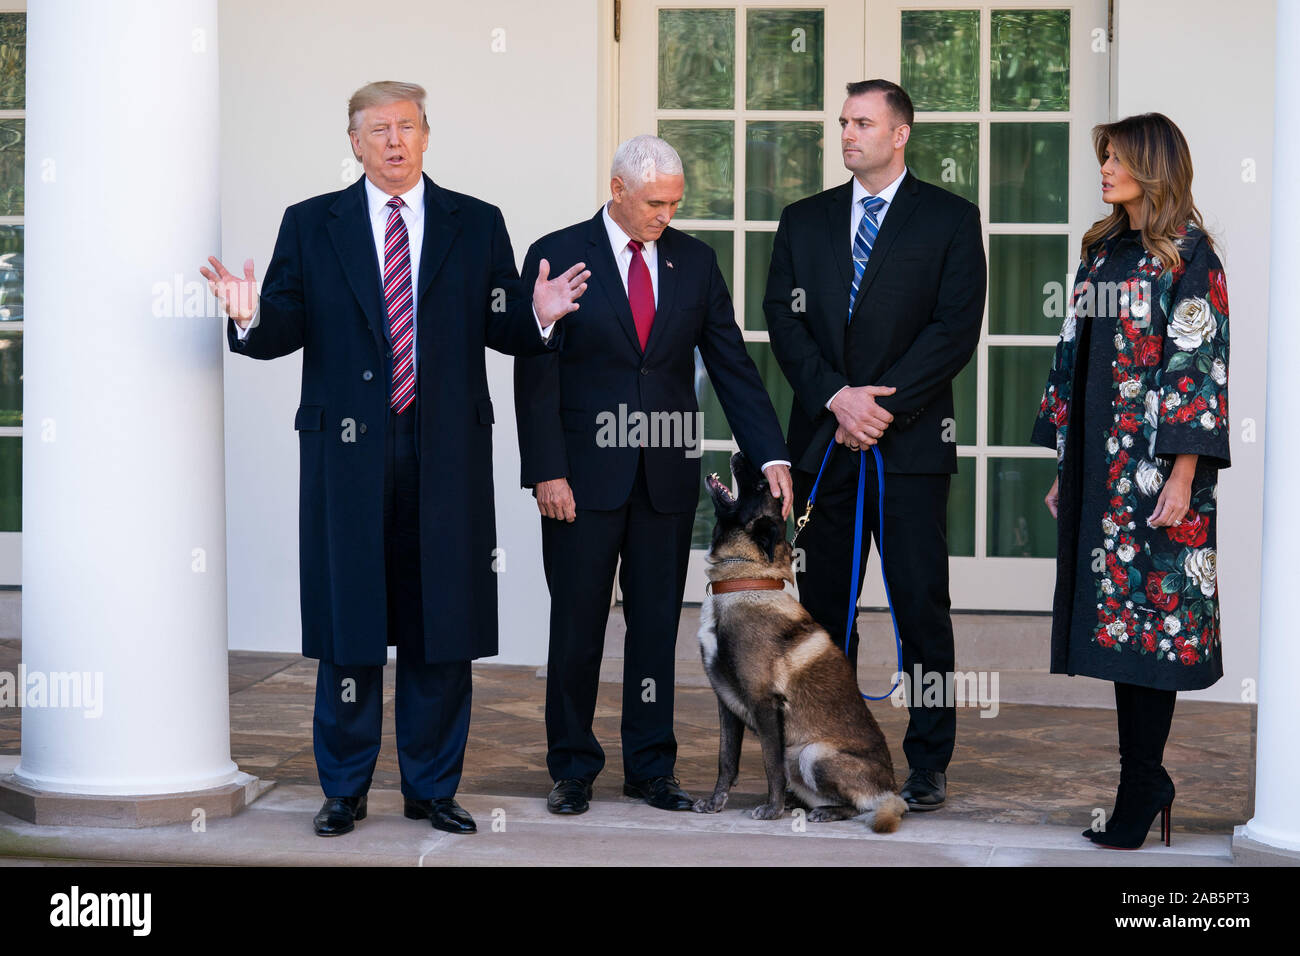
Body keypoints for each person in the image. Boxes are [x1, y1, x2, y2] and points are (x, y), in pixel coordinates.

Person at [201, 81, 588, 838]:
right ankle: (343, 789)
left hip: (443, 449)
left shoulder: (475, 223)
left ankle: (431, 788)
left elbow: (501, 323)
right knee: (351, 622)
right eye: (376, 129)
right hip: (347, 455)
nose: (393, 141)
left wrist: (537, 318)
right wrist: (248, 313)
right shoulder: (314, 223)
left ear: (427, 135)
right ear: (353, 141)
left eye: (406, 126)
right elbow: (285, 322)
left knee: (440, 620)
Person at [513, 135, 792, 815]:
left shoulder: (694, 262)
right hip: (580, 480)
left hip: (664, 478)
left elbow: (730, 362)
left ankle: (650, 767)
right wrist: (546, 470)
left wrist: (773, 452)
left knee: (654, 625)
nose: (665, 214)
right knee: (576, 626)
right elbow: (534, 369)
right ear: (616, 190)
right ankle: (572, 767)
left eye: (674, 202)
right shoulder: (558, 253)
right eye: (653, 203)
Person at [764, 80, 986, 812]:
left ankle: (928, 761)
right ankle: (829, 755)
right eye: (843, 122)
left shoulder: (951, 220)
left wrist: (880, 405)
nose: (848, 133)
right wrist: (838, 397)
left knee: (921, 604)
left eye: (863, 122)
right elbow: (783, 321)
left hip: (910, 444)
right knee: (825, 611)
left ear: (901, 134)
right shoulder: (805, 220)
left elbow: (954, 328)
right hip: (827, 443)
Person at [1032, 112, 1230, 850]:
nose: (1105, 168)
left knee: (1153, 627)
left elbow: (1199, 368)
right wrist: (1063, 457)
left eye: (1116, 158)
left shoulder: (1190, 256)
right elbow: (1071, 352)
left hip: (1157, 473)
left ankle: (1142, 783)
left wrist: (1184, 475)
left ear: (1153, 165)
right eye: (1104, 157)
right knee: (1120, 630)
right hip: (1100, 468)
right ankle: (1141, 778)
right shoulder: (1102, 248)